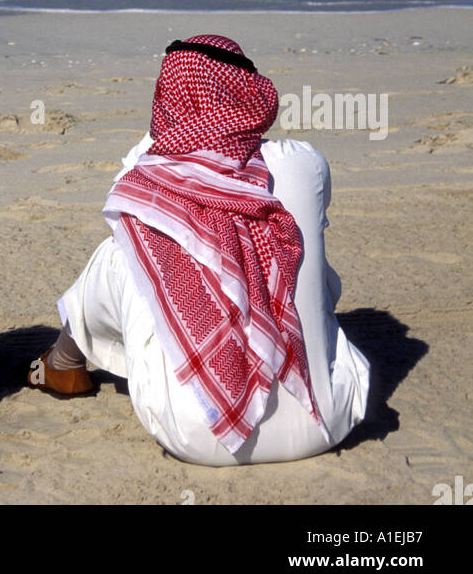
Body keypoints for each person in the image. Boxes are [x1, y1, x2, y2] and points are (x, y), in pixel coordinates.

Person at [28, 35, 370, 464]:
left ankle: (63, 362)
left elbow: (163, 149)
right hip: (329, 420)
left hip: (196, 434)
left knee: (118, 256)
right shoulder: (305, 163)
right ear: (250, 93)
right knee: (296, 251)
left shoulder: (146, 169)